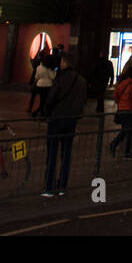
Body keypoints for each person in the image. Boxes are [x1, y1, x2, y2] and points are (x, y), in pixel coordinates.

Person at [41, 54, 88, 196]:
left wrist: (46, 112)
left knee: (52, 154)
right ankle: (62, 186)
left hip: (57, 119)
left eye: (61, 61)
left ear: (65, 63)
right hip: (71, 120)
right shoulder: (81, 81)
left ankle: (49, 186)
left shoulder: (60, 79)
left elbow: (51, 98)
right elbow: (83, 101)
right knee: (66, 154)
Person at [109, 64, 132, 157]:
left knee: (125, 130)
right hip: (130, 110)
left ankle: (116, 144)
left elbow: (116, 95)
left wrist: (120, 103)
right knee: (128, 131)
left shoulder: (123, 83)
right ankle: (126, 151)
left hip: (122, 109)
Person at [32, 52, 55, 117]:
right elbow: (52, 77)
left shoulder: (39, 67)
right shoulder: (50, 68)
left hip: (39, 85)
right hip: (48, 85)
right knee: (45, 100)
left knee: (42, 99)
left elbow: (36, 77)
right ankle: (40, 113)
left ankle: (39, 112)